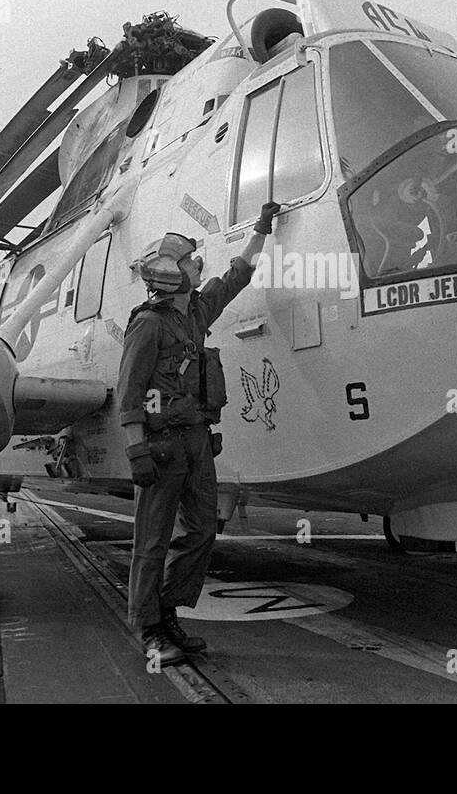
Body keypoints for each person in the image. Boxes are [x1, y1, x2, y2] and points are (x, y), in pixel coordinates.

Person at [118, 201, 280, 665]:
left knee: (203, 529)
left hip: (195, 440)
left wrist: (261, 229)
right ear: (171, 273)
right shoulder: (147, 325)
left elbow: (236, 276)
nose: (197, 264)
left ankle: (168, 611)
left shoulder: (195, 313)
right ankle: (149, 629)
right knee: (151, 540)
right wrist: (137, 452)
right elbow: (129, 394)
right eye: (190, 261)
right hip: (162, 445)